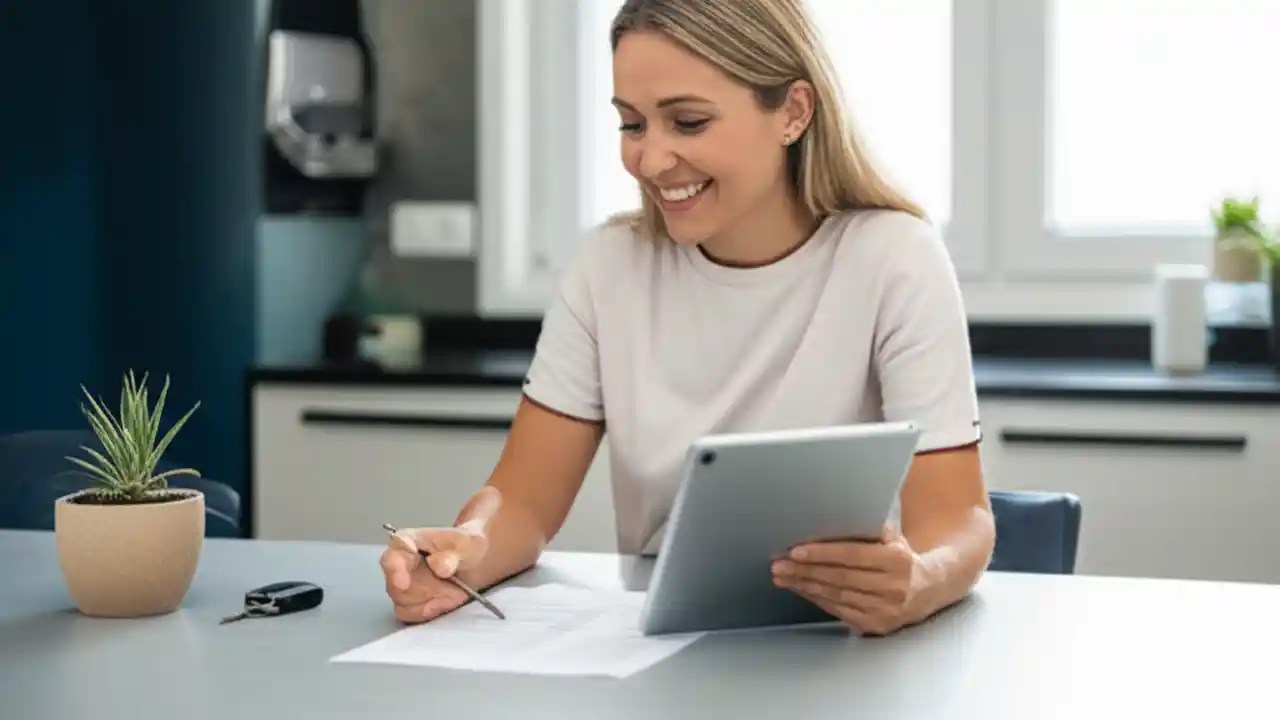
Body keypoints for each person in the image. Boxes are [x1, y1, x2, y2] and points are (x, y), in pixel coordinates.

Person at [380, 0, 995, 637]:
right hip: (663, 647)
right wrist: (468, 550)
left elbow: (959, 522)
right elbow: (524, 500)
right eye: (632, 125)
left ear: (792, 112)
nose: (650, 159)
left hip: (841, 645)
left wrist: (920, 579)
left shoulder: (893, 257)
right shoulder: (608, 267)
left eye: (689, 122)